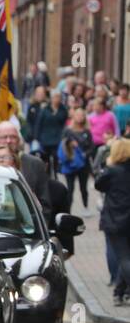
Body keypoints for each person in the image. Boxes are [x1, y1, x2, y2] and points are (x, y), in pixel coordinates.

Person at [94, 138, 130, 307]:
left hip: (115, 220)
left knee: (123, 258)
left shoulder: (111, 171)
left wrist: (107, 165)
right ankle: (119, 292)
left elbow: (98, 184)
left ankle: (121, 290)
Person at [60, 108, 94, 210]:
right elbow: (62, 145)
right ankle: (68, 210)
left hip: (83, 164)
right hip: (70, 164)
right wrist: (69, 146)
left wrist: (84, 154)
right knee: (70, 189)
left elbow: (92, 147)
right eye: (78, 115)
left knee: (83, 188)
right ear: (74, 116)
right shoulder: (67, 130)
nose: (80, 117)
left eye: (82, 115)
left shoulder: (87, 131)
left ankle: (85, 206)